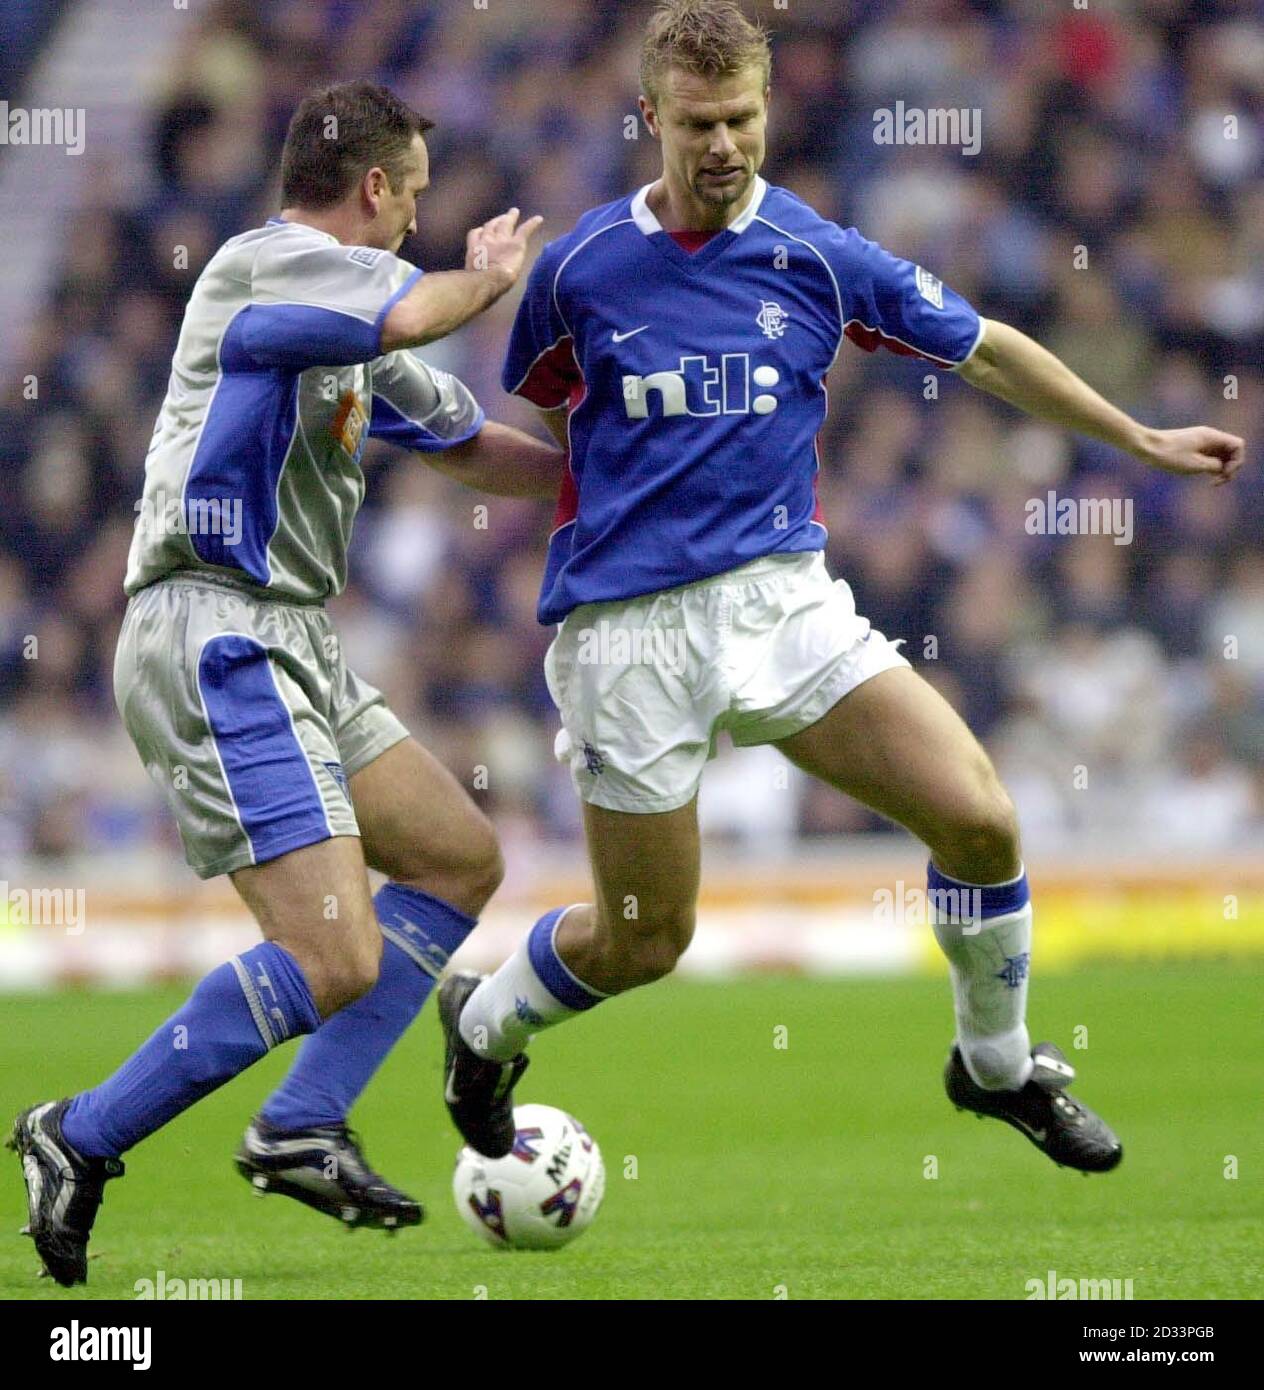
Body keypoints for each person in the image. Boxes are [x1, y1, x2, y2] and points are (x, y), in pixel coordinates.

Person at [438, 0, 1244, 1184]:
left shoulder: (817, 253)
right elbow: (550, 434)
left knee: (978, 816)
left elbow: (984, 346)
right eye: (699, 123)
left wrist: (1133, 437)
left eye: (745, 119)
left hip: (782, 602)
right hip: (626, 637)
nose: (723, 145)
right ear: (652, 117)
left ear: (769, 112)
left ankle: (995, 1063)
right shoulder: (578, 273)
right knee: (645, 940)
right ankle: (482, 1022)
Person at [10, 79, 563, 1287]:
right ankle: (77, 1136)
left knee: (457, 859)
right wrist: (490, 276)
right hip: (212, 629)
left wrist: (612, 481)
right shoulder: (269, 270)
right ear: (374, 187)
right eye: (412, 194)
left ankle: (302, 1121)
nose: (415, 217)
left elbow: (470, 445)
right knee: (332, 954)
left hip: (291, 637)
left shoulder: (350, 312)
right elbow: (419, 313)